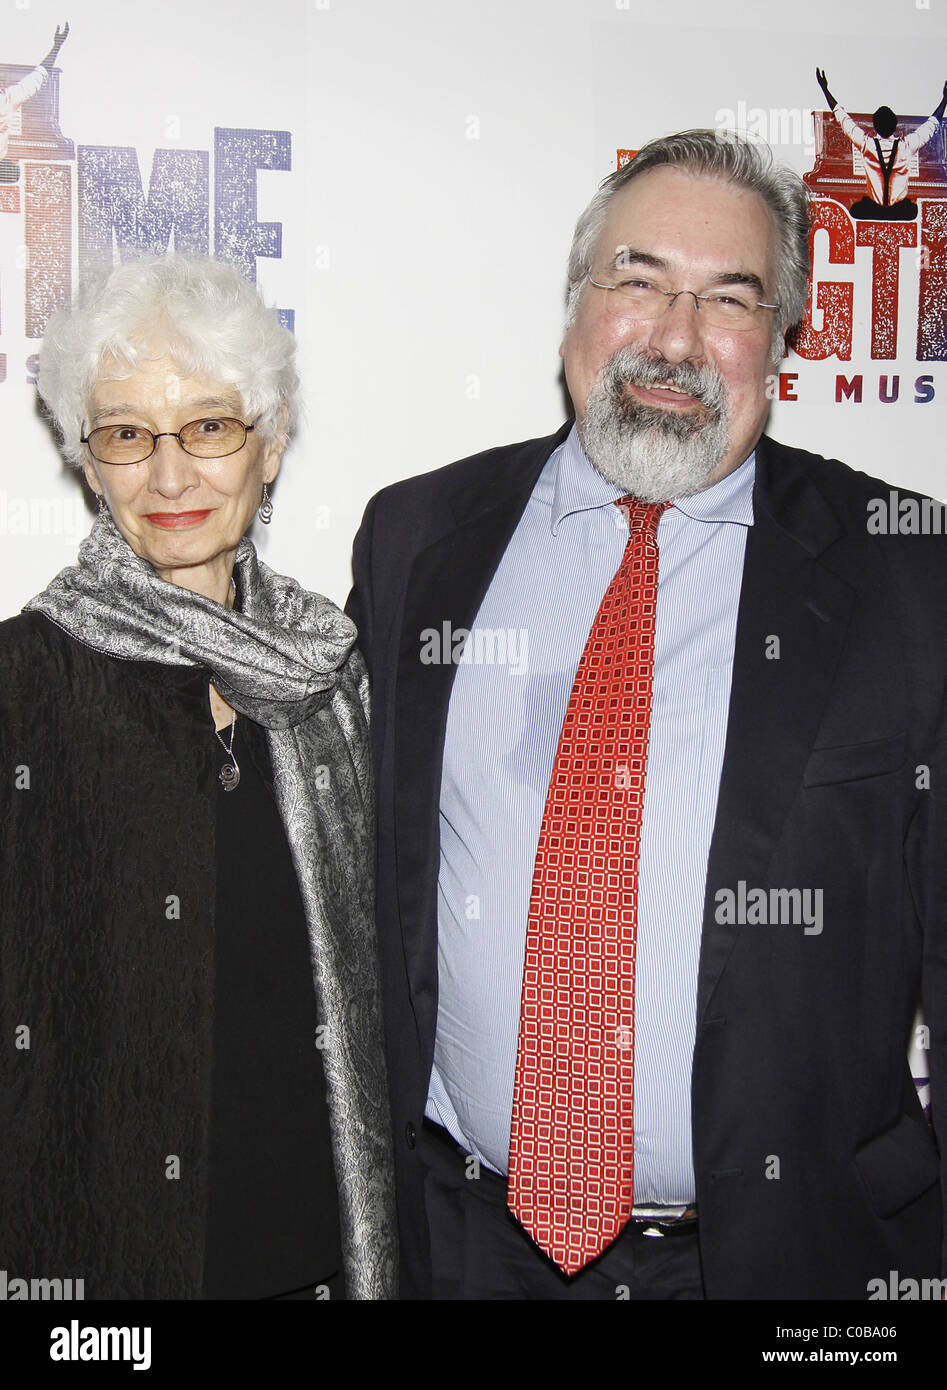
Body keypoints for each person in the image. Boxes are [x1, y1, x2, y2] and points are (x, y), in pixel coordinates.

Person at [347, 129, 947, 1300]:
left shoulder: (907, 572)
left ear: (780, 343)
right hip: (465, 1247)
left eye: (728, 298)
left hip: (787, 1263)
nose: (673, 339)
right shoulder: (418, 536)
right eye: (638, 280)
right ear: (572, 307)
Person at [0, 253, 396, 1300]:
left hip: (316, 1257)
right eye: (127, 433)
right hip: (93, 1273)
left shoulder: (334, 680)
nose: (170, 476)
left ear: (269, 448)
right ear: (88, 462)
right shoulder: (21, 685)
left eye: (210, 427)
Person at [815, 66, 947, 220]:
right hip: (901, 212)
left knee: (856, 209)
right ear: (895, 126)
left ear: (875, 127)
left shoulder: (867, 144)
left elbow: (844, 120)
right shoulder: (906, 146)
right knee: (914, 210)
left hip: (874, 210)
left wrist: (825, 89)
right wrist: (945, 99)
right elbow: (931, 125)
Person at [0, 23, 69, 181]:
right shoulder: (8, 99)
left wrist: (57, 46)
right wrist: (57, 45)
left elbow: (38, 77)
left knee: (12, 172)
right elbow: (38, 77)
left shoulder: (8, 99)